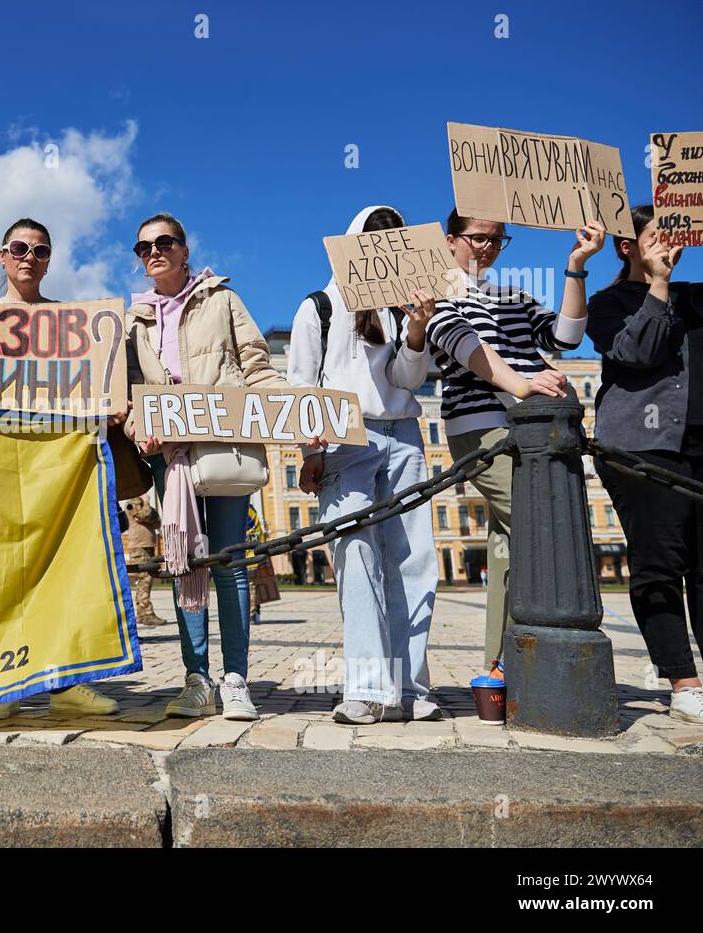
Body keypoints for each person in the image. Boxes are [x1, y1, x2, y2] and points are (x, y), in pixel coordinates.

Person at [426, 208, 604, 684]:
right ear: (450, 239)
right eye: (478, 238)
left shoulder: (513, 296)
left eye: (497, 241)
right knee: (540, 527)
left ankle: (500, 666)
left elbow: (565, 336)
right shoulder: (438, 293)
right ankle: (531, 659)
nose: (487, 248)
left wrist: (576, 264)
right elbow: (466, 347)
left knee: (508, 543)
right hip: (480, 425)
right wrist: (523, 383)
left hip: (533, 426)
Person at [125, 212, 284, 720]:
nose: (155, 251)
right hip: (170, 457)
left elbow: (258, 366)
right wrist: (136, 425)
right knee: (183, 564)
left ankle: (235, 679)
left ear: (184, 249)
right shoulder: (133, 320)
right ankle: (197, 679)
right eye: (144, 246)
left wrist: (295, 417)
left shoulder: (222, 300)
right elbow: (128, 394)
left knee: (231, 563)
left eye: (165, 241)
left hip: (225, 446)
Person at [289, 205, 440, 724]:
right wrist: (309, 455)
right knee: (356, 556)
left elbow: (406, 378)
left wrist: (417, 328)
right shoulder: (318, 307)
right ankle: (368, 687)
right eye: (375, 243)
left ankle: (410, 685)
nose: (384, 252)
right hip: (344, 440)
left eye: (393, 243)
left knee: (413, 559)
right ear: (354, 247)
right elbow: (301, 387)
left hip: (403, 436)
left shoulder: (401, 310)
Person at [0, 217, 120, 719]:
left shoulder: (69, 323)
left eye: (39, 250)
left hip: (54, 467)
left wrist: (111, 403)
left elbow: (93, 390)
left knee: (62, 570)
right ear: (2, 255)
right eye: (19, 248)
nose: (28, 258)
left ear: (49, 259)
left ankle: (66, 681)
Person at [586, 204, 703, 724]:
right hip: (642, 449)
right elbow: (637, 353)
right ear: (627, 246)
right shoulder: (609, 303)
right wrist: (657, 286)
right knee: (659, 562)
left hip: (698, 447)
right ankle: (683, 680)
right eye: (658, 236)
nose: (668, 243)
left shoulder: (696, 299)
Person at [123, 495, 165, 626]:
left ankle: (143, 613)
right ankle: (146, 614)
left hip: (147, 546)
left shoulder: (141, 503)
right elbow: (144, 515)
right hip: (139, 547)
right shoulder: (132, 502)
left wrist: (150, 516)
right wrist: (147, 502)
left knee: (146, 581)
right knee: (144, 580)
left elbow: (157, 522)